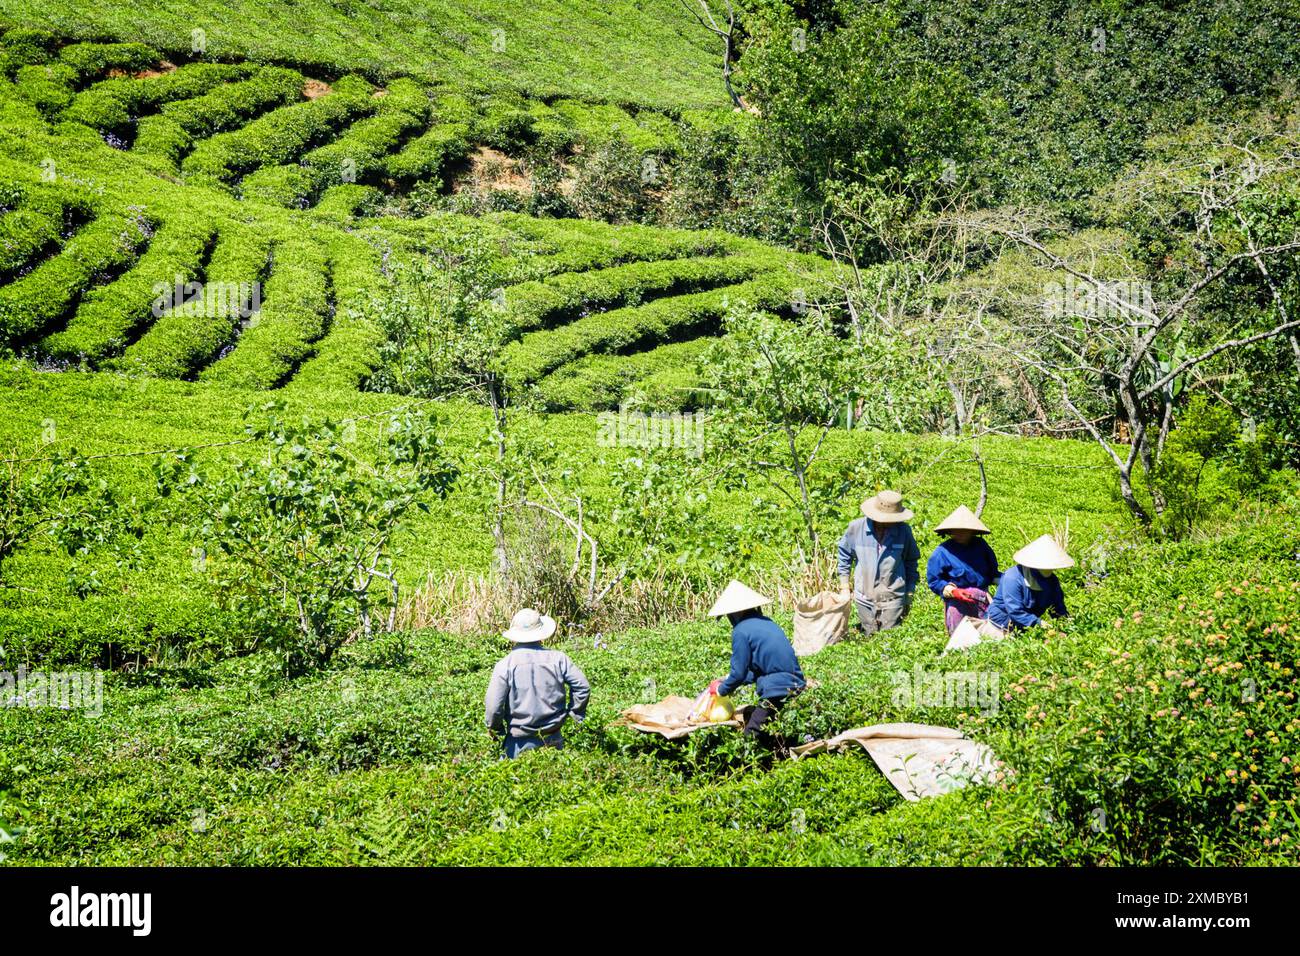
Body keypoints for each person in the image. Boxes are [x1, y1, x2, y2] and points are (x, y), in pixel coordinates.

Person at [704, 580, 806, 747]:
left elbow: (739, 673)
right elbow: (759, 669)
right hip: (793, 683)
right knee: (766, 725)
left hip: (777, 689)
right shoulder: (768, 623)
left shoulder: (741, 631)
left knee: (751, 736)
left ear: (735, 613)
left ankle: (753, 766)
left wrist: (721, 690)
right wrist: (727, 680)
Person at [484, 608, 590, 759]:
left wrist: (496, 729)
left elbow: (493, 707)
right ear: (541, 634)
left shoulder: (505, 665)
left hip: (518, 742)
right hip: (554, 737)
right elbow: (583, 687)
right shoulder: (559, 659)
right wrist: (574, 715)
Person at [948, 534, 1072, 650]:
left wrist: (1066, 626)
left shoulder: (1052, 581)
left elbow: (1057, 607)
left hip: (1026, 629)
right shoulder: (1013, 577)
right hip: (1000, 626)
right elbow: (1015, 610)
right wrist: (1039, 623)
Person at [837, 490, 920, 635]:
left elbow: (911, 561)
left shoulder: (903, 531)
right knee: (869, 637)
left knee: (888, 643)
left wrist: (909, 592)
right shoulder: (856, 528)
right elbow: (844, 555)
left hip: (893, 597)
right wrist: (844, 587)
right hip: (864, 596)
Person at [927, 505, 1000, 635]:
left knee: (987, 635)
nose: (960, 533)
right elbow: (934, 581)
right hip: (958, 601)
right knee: (960, 636)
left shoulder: (981, 546)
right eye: (956, 530)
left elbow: (993, 572)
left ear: (972, 531)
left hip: (982, 599)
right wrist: (954, 592)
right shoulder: (942, 552)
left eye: (964, 530)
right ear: (949, 531)